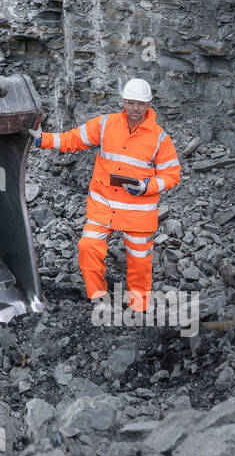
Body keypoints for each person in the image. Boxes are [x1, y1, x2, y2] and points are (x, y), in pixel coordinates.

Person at [30, 77, 181, 312]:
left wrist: (146, 186)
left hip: (137, 214)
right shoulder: (105, 125)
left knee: (140, 263)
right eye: (130, 102)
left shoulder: (159, 138)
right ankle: (99, 298)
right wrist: (43, 139)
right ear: (123, 101)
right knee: (88, 247)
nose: (135, 108)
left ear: (149, 105)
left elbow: (171, 175)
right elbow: (73, 139)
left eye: (140, 104)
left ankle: (139, 308)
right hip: (105, 207)